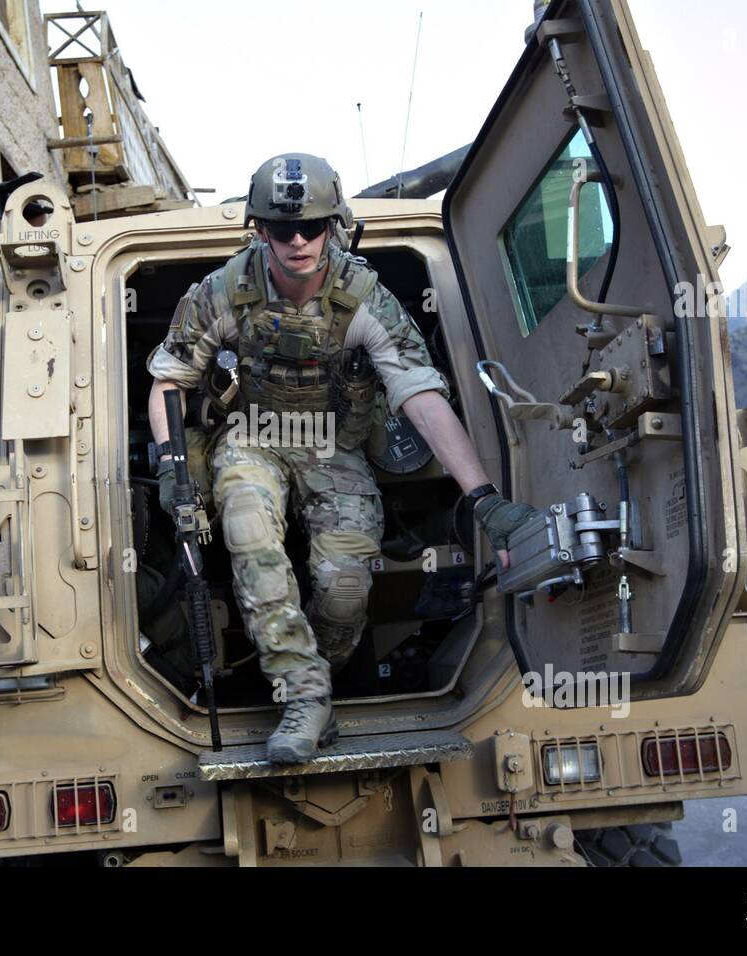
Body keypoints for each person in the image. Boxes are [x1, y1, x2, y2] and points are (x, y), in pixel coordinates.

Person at [146, 153, 535, 763]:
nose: (298, 240)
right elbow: (169, 382)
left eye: (313, 226)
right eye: (281, 228)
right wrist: (173, 466)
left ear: (336, 225)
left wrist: (483, 498)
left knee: (345, 591)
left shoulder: (363, 299)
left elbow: (421, 396)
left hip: (334, 445)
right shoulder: (222, 292)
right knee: (248, 528)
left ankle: (316, 679)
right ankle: (300, 693)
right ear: (259, 230)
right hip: (252, 436)